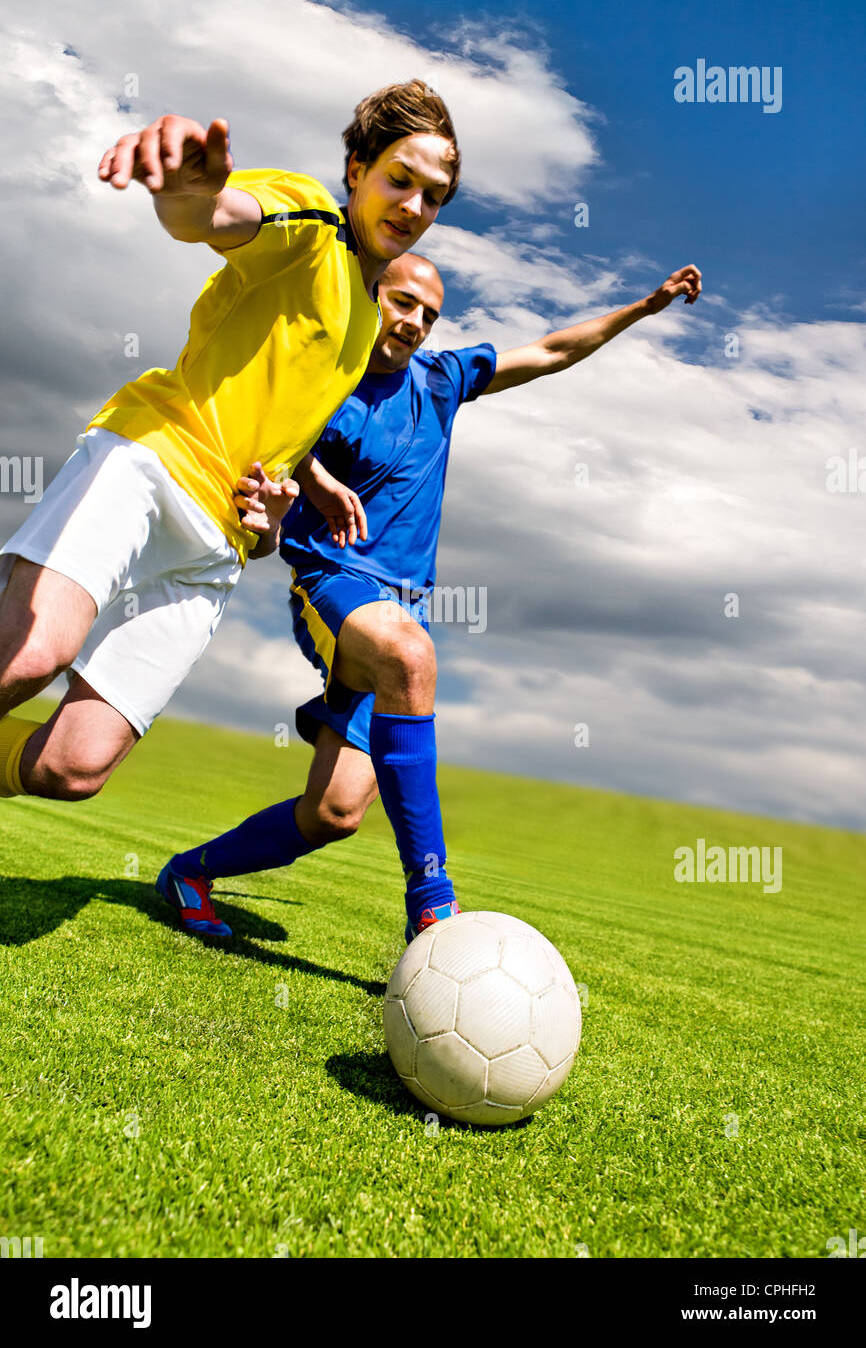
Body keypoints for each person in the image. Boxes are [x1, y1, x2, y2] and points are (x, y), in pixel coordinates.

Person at [159, 252, 702, 941]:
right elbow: (260, 462)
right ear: (368, 299)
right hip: (332, 585)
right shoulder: (317, 388)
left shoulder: (442, 381)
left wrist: (643, 309)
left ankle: (189, 872)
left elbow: (552, 349)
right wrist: (311, 480)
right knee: (412, 657)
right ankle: (433, 902)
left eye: (429, 313)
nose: (415, 322)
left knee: (333, 812)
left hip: (402, 605)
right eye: (403, 302)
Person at [0, 81, 460, 813]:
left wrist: (286, 502)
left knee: (72, 766)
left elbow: (279, 430)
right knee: (30, 655)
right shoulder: (311, 221)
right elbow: (213, 214)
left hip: (216, 547)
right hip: (152, 461)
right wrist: (185, 186)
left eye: (432, 196)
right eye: (398, 180)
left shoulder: (364, 331)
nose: (412, 206)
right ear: (357, 172)